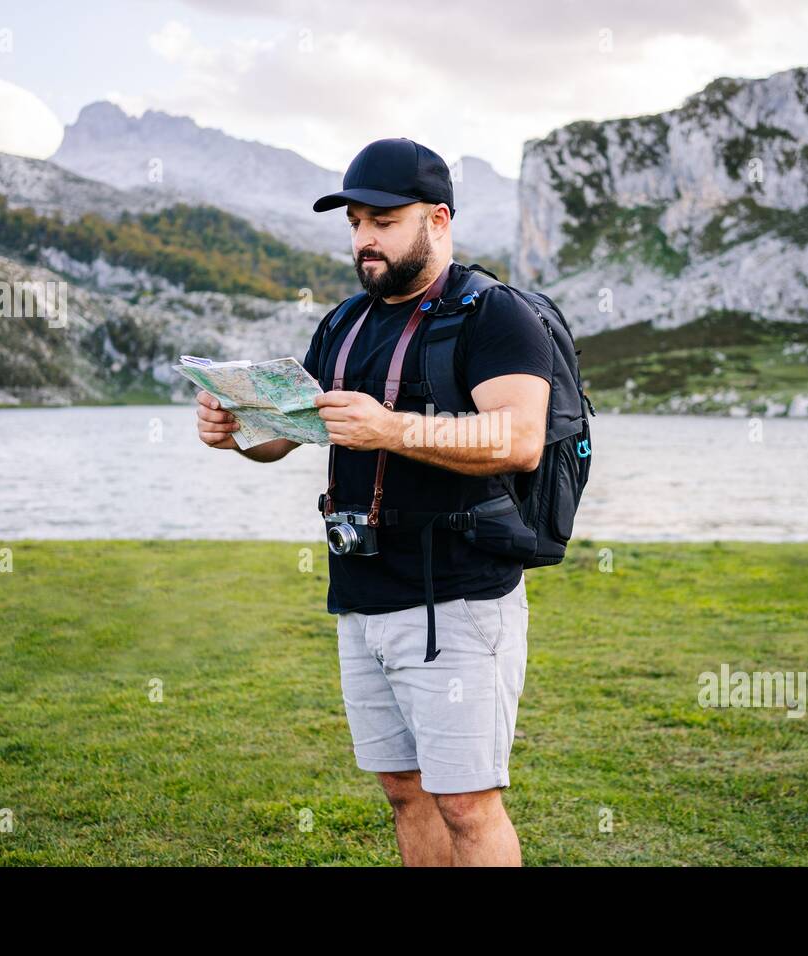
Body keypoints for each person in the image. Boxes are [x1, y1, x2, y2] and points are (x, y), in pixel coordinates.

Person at [195, 137, 552, 866]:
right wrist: (234, 430)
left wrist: (392, 428)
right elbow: (285, 438)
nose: (364, 239)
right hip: (361, 595)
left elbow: (520, 439)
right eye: (355, 221)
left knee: (467, 802)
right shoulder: (343, 324)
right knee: (404, 790)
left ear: (440, 220)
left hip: (457, 597)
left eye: (384, 221)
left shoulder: (494, 315)